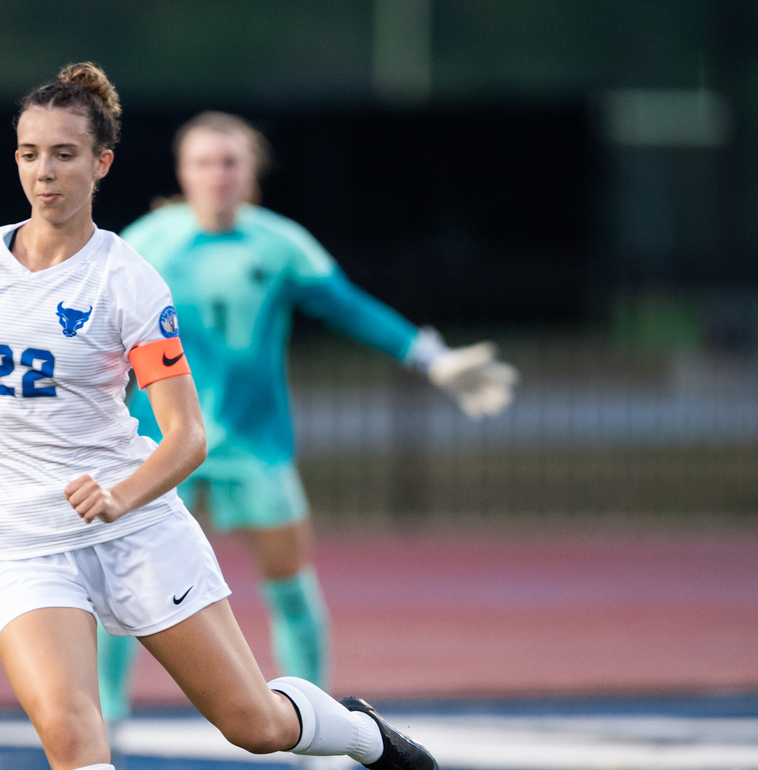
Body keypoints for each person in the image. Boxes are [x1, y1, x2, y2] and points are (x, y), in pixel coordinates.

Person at [0, 63, 443, 770]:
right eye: (29, 153)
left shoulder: (128, 279)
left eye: (64, 155)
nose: (43, 172)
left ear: (103, 162)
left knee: (253, 723)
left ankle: (356, 732)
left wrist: (119, 494)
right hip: (20, 544)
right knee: (71, 729)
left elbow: (187, 435)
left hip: (136, 529)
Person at [97, 112, 519, 724]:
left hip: (255, 444)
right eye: (205, 162)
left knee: (288, 580)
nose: (218, 175)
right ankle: (107, 722)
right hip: (159, 445)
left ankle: (318, 721)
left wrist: (434, 359)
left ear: (250, 172)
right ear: (183, 172)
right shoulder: (144, 243)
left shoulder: (280, 243)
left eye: (230, 162)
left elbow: (347, 307)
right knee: (126, 586)